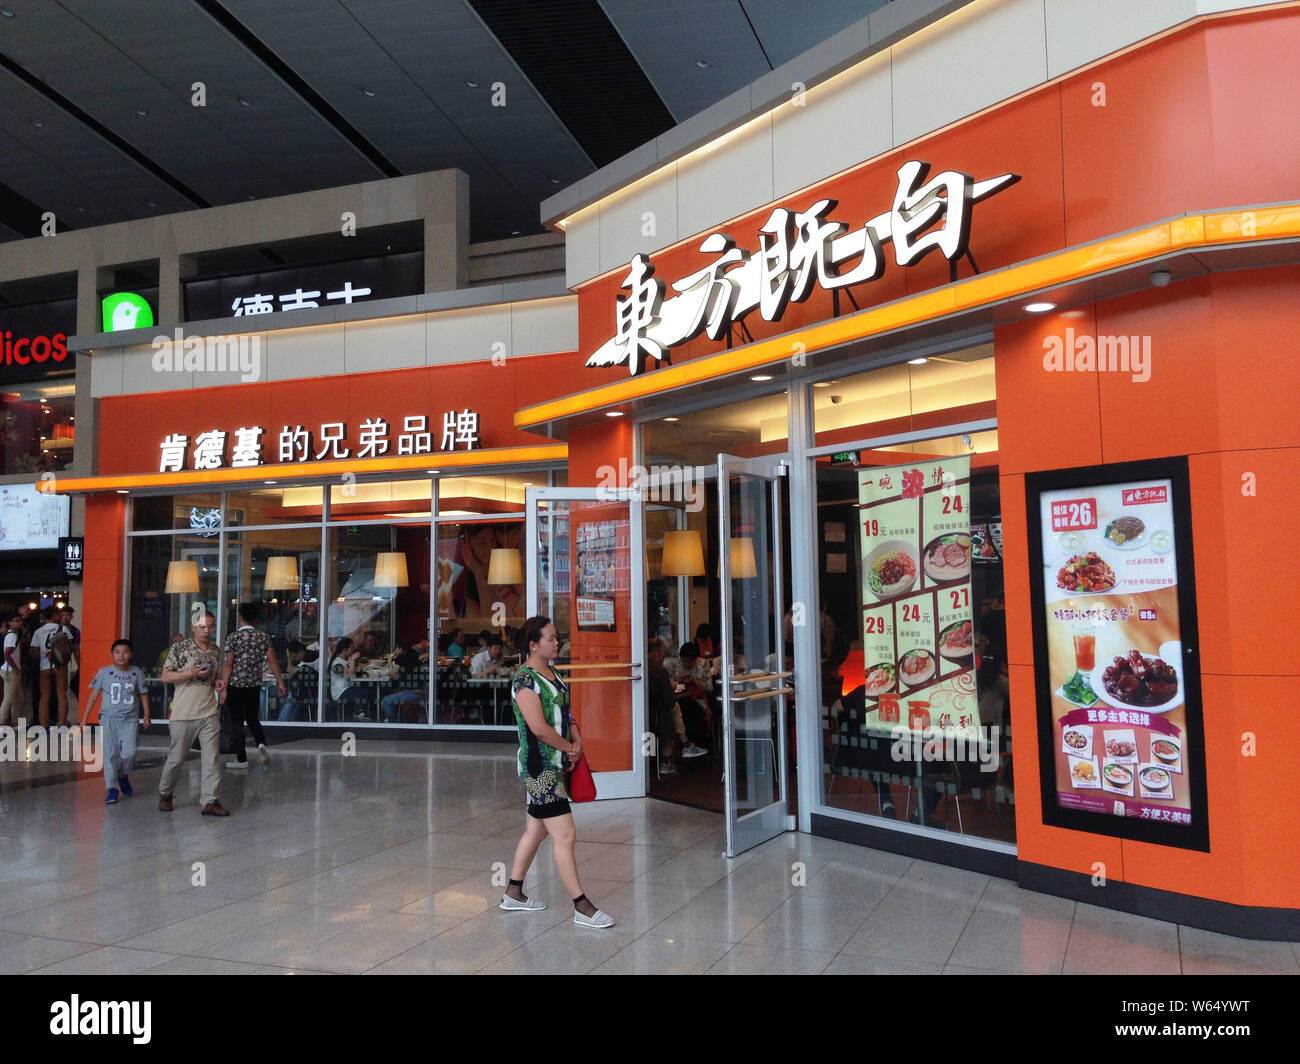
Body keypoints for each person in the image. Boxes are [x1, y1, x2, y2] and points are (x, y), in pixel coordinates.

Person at [501, 615, 613, 929]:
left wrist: (575, 739)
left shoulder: (552, 673)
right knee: (564, 834)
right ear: (533, 645)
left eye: (556, 636)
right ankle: (581, 905)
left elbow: (566, 711)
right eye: (549, 638)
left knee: (536, 830)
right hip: (540, 770)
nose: (556, 641)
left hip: (557, 762)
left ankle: (513, 892)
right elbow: (537, 727)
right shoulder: (524, 680)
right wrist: (567, 747)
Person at [158, 611, 228, 816]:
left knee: (212, 758)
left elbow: (215, 674)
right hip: (183, 713)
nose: (207, 631)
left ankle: (210, 800)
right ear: (193, 627)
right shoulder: (180, 648)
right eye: (203, 627)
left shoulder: (215, 650)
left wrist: (218, 681)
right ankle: (165, 792)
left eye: (211, 626)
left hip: (208, 712)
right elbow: (165, 676)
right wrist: (191, 673)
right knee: (176, 758)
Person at [84, 639, 151, 805]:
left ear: (131, 654)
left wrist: (147, 715)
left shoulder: (137, 673)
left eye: (125, 652)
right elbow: (94, 695)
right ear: (112, 655)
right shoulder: (104, 672)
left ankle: (123, 775)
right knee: (110, 754)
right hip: (108, 719)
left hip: (130, 719)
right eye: (117, 652)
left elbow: (143, 694)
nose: (121, 655)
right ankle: (111, 788)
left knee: (130, 752)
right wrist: (85, 718)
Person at [221, 602, 285, 768]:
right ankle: (260, 743)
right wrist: (280, 681)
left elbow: (228, 663)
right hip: (254, 685)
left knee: (236, 721)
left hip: (235, 685)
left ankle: (241, 759)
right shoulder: (263, 637)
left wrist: (223, 686)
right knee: (252, 718)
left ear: (240, 618)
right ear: (255, 619)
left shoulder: (233, 637)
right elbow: (272, 660)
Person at [648, 638, 706, 774]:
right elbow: (669, 700)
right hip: (658, 716)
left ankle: (684, 746)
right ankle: (668, 759)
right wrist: (671, 688)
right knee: (674, 709)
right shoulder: (659, 671)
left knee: (676, 709)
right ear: (656, 653)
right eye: (662, 653)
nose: (664, 656)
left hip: (645, 711)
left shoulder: (641, 667)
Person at [31, 607, 74, 727]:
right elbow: (70, 647)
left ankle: (44, 725)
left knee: (44, 696)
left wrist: (44, 655)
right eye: (59, 614)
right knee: (62, 695)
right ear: (55, 615)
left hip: (44, 666)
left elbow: (34, 652)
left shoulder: (38, 631)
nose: (60, 616)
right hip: (60, 665)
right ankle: (62, 723)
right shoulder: (63, 628)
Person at [1, 613, 23, 728]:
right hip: (10, 670)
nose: (19, 623)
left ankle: (14, 723)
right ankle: (1, 723)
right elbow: (7, 654)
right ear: (10, 623)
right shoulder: (12, 636)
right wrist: (15, 668)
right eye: (16, 620)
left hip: (9, 669)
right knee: (9, 698)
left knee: (18, 698)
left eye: (20, 620)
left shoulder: (12, 634)